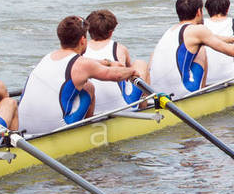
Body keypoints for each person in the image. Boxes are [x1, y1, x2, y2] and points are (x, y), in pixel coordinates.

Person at [16, 15, 146, 136]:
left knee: (82, 87)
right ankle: (87, 132)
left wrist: (108, 62)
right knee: (88, 87)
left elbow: (93, 64)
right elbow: (115, 76)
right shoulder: (82, 64)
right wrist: (131, 71)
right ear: (83, 40)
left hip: (24, 126)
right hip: (54, 128)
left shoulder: (48, 56)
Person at [149, 0, 234, 96]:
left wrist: (233, 39)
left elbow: (212, 38)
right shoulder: (198, 30)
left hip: (158, 93)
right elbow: (232, 52)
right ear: (199, 12)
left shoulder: (170, 31)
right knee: (201, 50)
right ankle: (202, 94)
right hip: (181, 91)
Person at [82, 8, 150, 114]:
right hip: (121, 106)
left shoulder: (81, 50)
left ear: (89, 31)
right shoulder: (119, 48)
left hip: (91, 108)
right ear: (110, 32)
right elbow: (130, 76)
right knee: (140, 64)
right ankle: (144, 108)